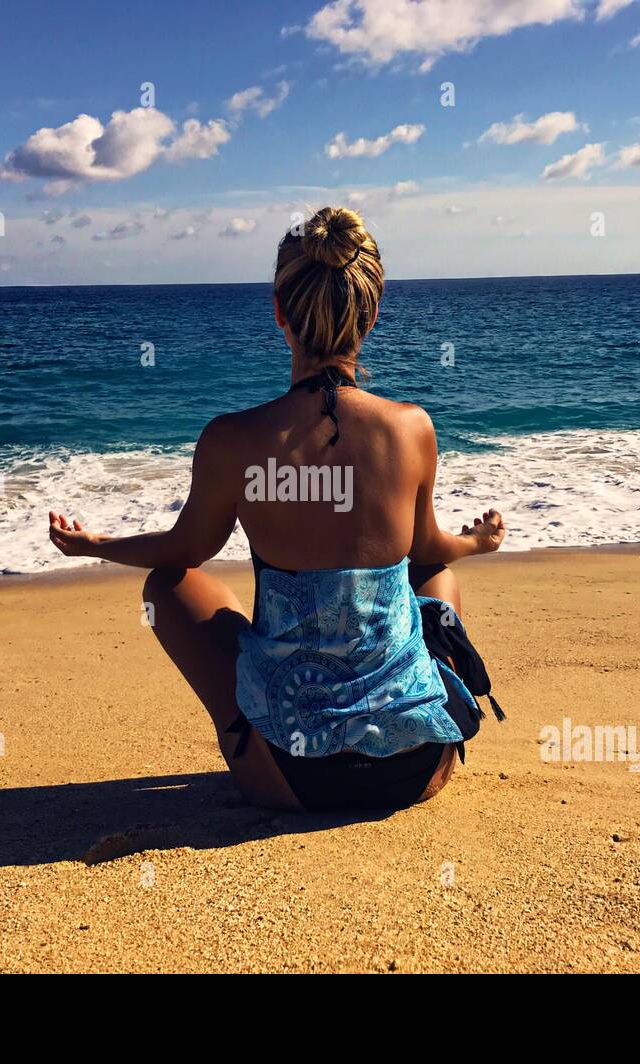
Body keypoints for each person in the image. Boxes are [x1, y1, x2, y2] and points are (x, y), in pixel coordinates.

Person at [49, 206, 505, 812]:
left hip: (290, 779)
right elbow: (428, 551)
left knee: (168, 588)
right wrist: (474, 544)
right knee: (434, 576)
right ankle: (410, 715)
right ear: (371, 311)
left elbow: (181, 553)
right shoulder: (411, 429)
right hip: (417, 768)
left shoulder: (233, 439)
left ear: (279, 314)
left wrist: (97, 545)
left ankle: (259, 726)